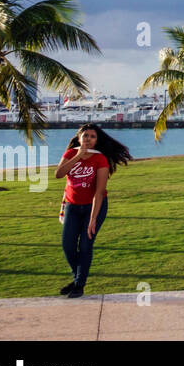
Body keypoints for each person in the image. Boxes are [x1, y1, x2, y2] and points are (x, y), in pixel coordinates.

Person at [53, 124, 133, 298]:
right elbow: (58, 174)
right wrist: (78, 156)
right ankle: (77, 279)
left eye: (92, 136)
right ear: (79, 138)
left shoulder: (100, 159)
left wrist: (92, 219)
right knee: (68, 245)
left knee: (85, 245)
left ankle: (79, 285)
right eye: (85, 135)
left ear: (97, 141)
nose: (88, 139)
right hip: (72, 206)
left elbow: (99, 192)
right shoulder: (70, 154)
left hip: (94, 206)